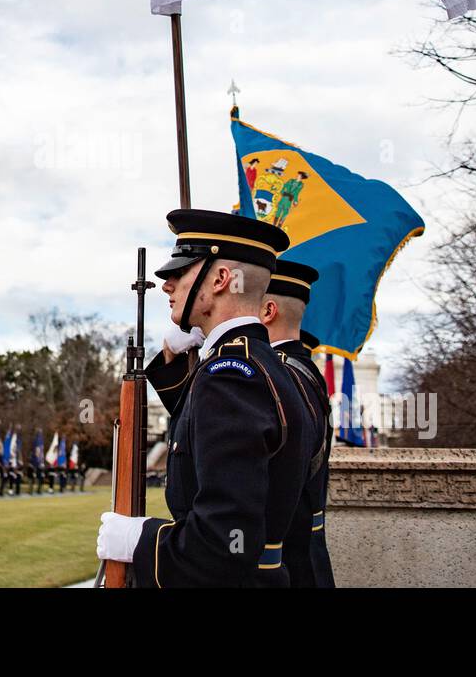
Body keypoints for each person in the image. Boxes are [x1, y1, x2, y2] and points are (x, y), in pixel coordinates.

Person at [96, 208, 311, 588]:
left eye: (181, 270)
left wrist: (141, 540)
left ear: (221, 280)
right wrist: (172, 357)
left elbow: (220, 547)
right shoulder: (252, 365)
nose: (166, 284)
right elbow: (198, 429)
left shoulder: (229, 376)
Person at [261, 258, 336, 588]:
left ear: (268, 312)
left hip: (286, 564)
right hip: (303, 556)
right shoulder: (301, 370)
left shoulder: (281, 375)